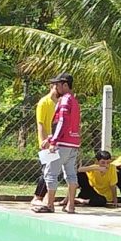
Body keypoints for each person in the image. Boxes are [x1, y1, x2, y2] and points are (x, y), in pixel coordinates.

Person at [34, 73, 80, 214]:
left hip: (62, 143)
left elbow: (62, 122)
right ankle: (71, 205)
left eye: (57, 85)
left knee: (51, 173)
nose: (55, 87)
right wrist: (51, 137)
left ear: (65, 85)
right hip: (73, 143)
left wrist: (53, 140)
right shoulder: (74, 101)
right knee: (71, 174)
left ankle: (50, 205)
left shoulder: (65, 100)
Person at [31, 82, 58, 206]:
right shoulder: (44, 102)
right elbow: (40, 123)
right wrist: (43, 141)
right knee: (47, 170)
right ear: (52, 86)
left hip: (57, 141)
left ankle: (47, 196)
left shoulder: (60, 102)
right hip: (47, 142)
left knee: (55, 171)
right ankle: (38, 197)